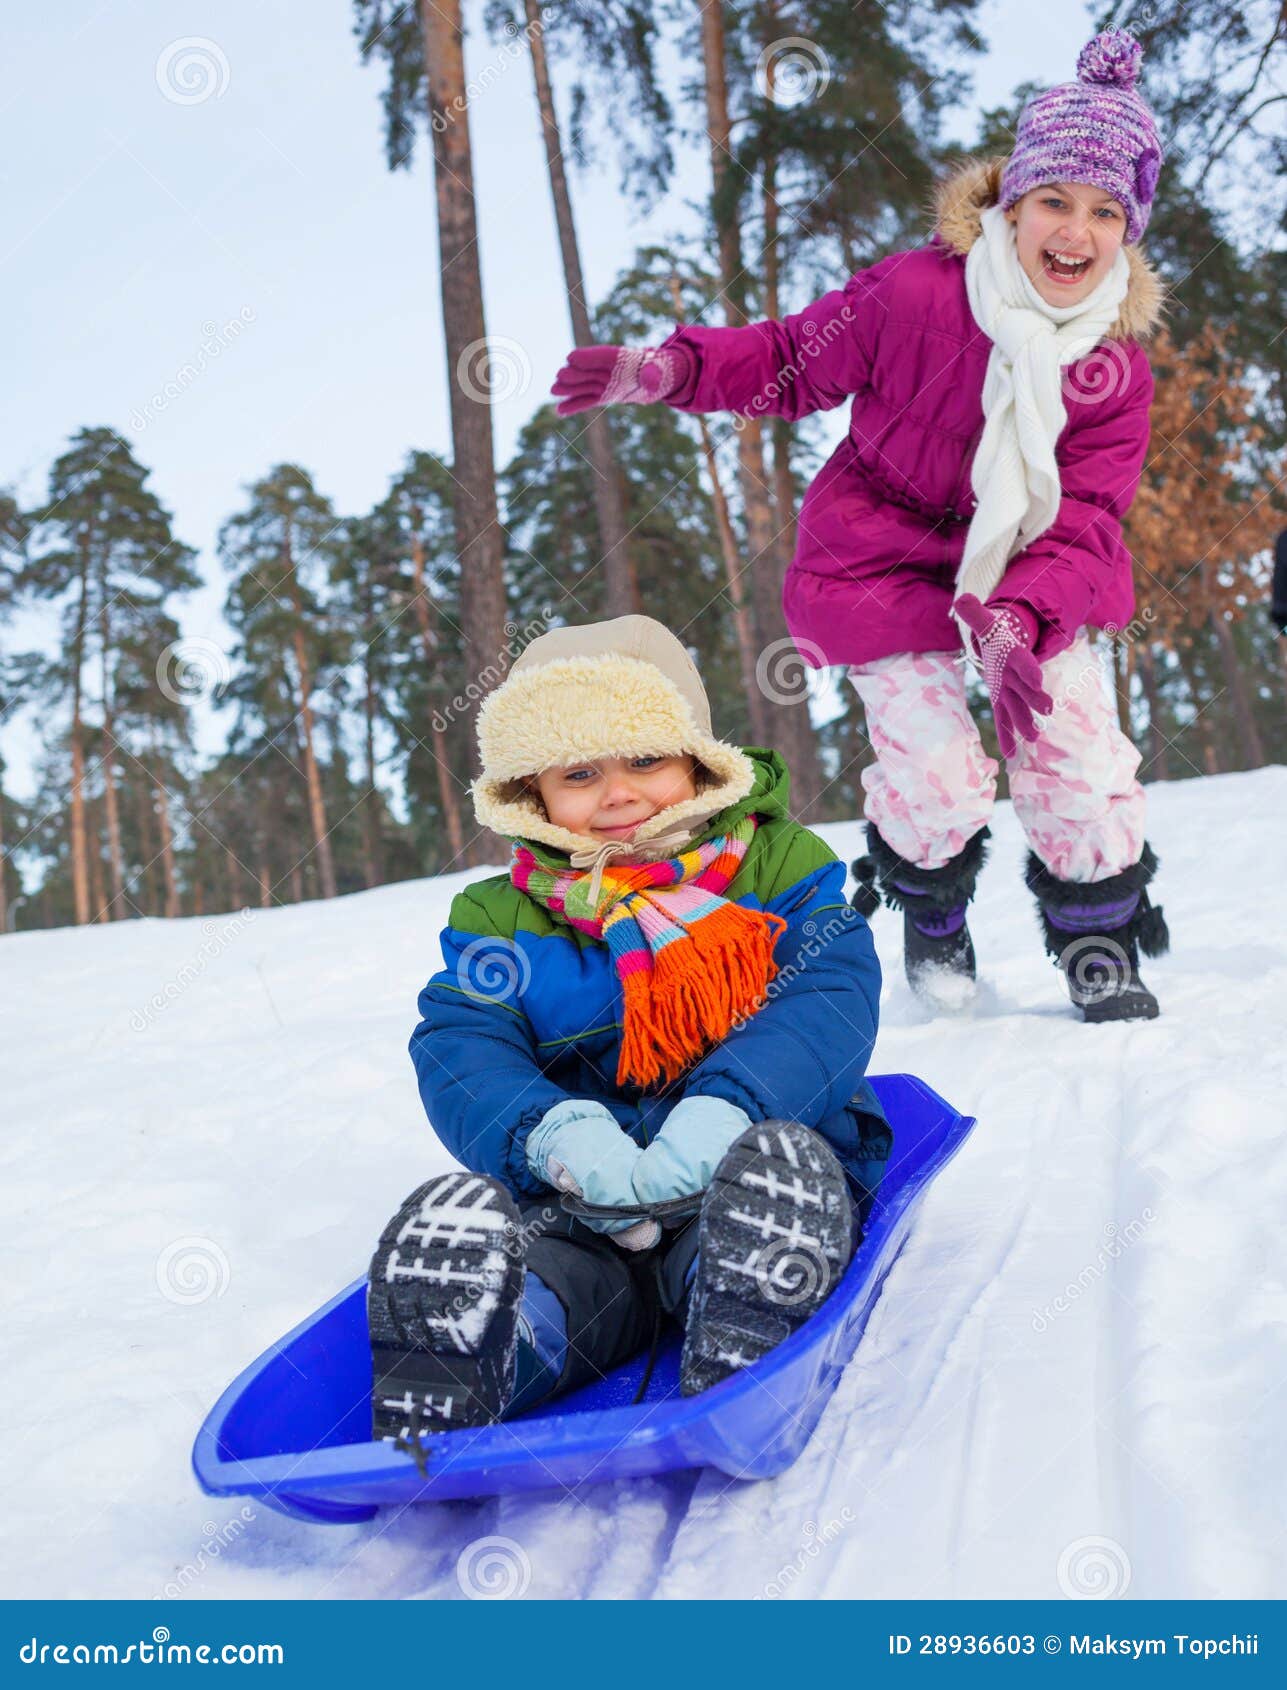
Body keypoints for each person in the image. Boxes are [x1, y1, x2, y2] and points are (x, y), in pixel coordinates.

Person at [552, 28, 1171, 1022]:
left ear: (1126, 232)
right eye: (1054, 200)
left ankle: (1098, 931)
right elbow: (793, 360)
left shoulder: (1114, 369)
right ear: (1010, 204)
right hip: (882, 550)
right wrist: (671, 369)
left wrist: (1020, 618)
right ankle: (931, 912)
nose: (1075, 229)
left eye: (1104, 211)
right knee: (937, 766)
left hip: (1031, 569)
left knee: (1080, 749)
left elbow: (1088, 514)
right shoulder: (915, 293)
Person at [368, 616, 890, 1448]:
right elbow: (461, 1042)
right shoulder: (498, 914)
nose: (618, 793)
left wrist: (732, 1108)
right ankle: (487, 1342)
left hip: (756, 1160)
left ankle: (749, 1292)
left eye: (645, 758)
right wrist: (553, 1133)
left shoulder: (773, 863)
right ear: (531, 790)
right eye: (580, 771)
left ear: (696, 757)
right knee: (563, 1273)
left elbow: (829, 990)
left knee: (746, 1219)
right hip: (584, 1199)